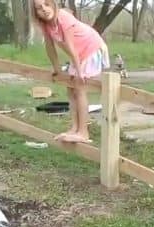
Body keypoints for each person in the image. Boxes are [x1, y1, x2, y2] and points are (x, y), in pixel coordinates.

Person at [32, 0, 110, 144]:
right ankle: (74, 127)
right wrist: (57, 69)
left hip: (91, 48)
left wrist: (79, 71)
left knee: (79, 88)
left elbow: (70, 45)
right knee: (70, 89)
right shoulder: (45, 25)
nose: (44, 9)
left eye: (47, 5)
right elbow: (50, 48)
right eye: (39, 8)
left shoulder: (63, 18)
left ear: (53, 5)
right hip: (78, 55)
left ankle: (83, 132)